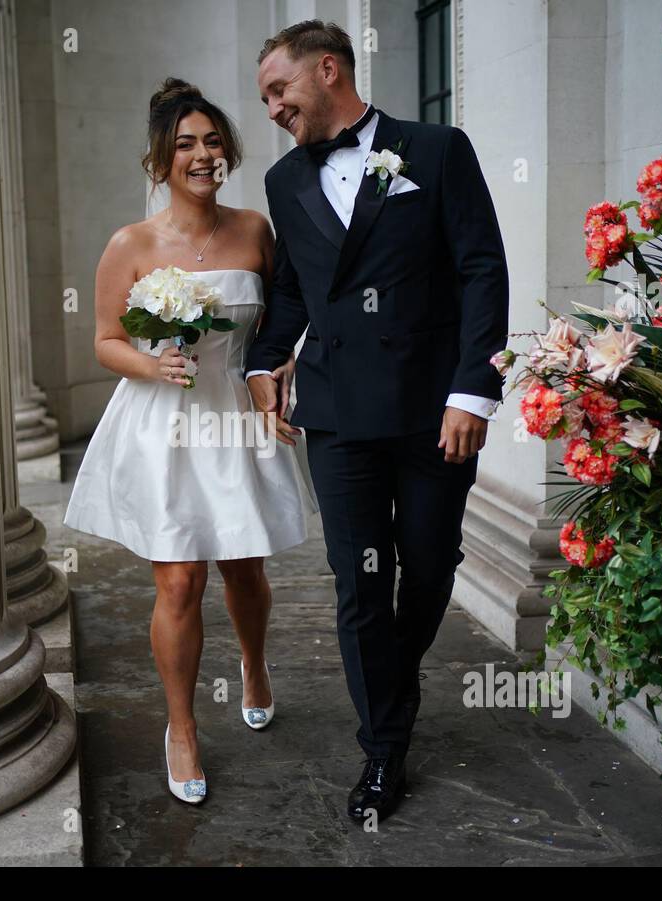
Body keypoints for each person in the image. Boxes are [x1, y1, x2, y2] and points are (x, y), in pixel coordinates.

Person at [246, 21, 510, 822]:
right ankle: (383, 750)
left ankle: (388, 683)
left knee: (429, 567)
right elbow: (291, 287)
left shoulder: (436, 149)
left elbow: (480, 268)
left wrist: (473, 391)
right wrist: (265, 361)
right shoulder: (284, 181)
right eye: (264, 98)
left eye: (279, 91)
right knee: (360, 584)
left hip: (433, 408)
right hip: (334, 413)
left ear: (328, 69)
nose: (272, 109)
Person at [63, 78, 318, 805]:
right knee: (180, 578)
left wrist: (280, 368)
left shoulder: (254, 230)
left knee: (244, 567)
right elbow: (106, 340)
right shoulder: (131, 244)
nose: (202, 156)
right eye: (185, 145)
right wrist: (153, 361)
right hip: (165, 421)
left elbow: (278, 321)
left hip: (235, 415)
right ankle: (180, 727)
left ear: (227, 151)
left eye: (211, 142)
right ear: (160, 160)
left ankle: (255, 664)